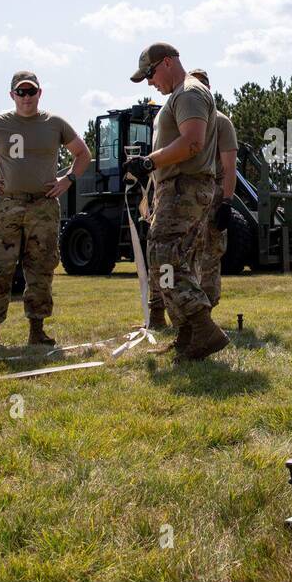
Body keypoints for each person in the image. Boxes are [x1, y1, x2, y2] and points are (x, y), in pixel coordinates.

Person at [0, 71, 89, 349]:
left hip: (43, 206)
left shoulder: (55, 123)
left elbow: (83, 153)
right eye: (21, 92)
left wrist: (66, 180)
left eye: (31, 91)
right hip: (9, 205)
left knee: (41, 269)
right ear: (12, 95)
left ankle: (37, 331)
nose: (26, 97)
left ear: (39, 93)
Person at [123, 43, 229, 360]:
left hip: (184, 188)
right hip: (182, 187)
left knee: (164, 257)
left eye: (150, 74)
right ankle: (188, 334)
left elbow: (192, 142)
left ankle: (203, 325)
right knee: (177, 259)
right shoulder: (182, 95)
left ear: (167, 63)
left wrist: (149, 162)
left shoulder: (188, 93)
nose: (150, 83)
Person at [188, 67, 237, 311]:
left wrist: (227, 202)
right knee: (185, 254)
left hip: (213, 196)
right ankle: (186, 309)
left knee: (209, 254)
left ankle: (206, 310)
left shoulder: (220, 122)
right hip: (186, 196)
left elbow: (229, 167)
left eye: (202, 85)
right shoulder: (182, 119)